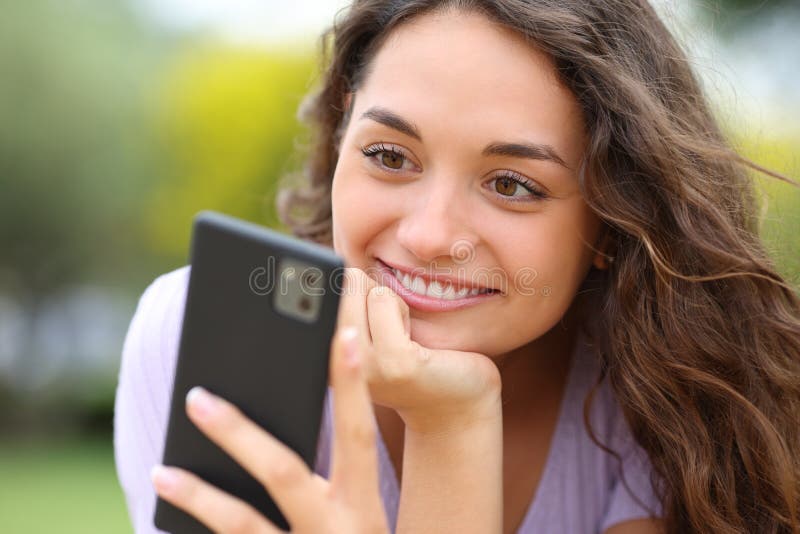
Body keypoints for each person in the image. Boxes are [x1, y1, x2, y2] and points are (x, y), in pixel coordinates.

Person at [114, 1, 800, 533]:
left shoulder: (671, 399)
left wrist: (452, 424)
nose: (430, 234)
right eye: (389, 155)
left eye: (512, 185)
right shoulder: (197, 333)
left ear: (611, 216)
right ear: (344, 127)